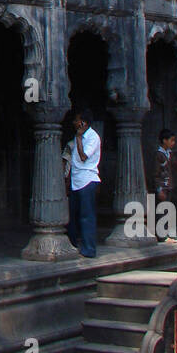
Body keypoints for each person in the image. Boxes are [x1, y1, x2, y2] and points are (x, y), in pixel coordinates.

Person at [69, 110, 102, 259]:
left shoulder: (92, 137)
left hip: (87, 179)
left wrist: (79, 137)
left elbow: (83, 157)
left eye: (77, 120)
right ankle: (73, 244)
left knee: (86, 216)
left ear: (83, 122)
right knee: (74, 214)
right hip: (77, 180)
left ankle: (89, 249)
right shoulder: (79, 137)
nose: (74, 123)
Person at [154, 130, 177, 239]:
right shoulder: (158, 155)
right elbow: (155, 174)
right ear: (164, 141)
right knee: (162, 212)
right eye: (171, 140)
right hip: (163, 187)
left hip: (169, 186)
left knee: (167, 211)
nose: (173, 143)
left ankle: (166, 234)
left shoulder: (169, 154)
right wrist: (159, 189)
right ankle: (162, 236)